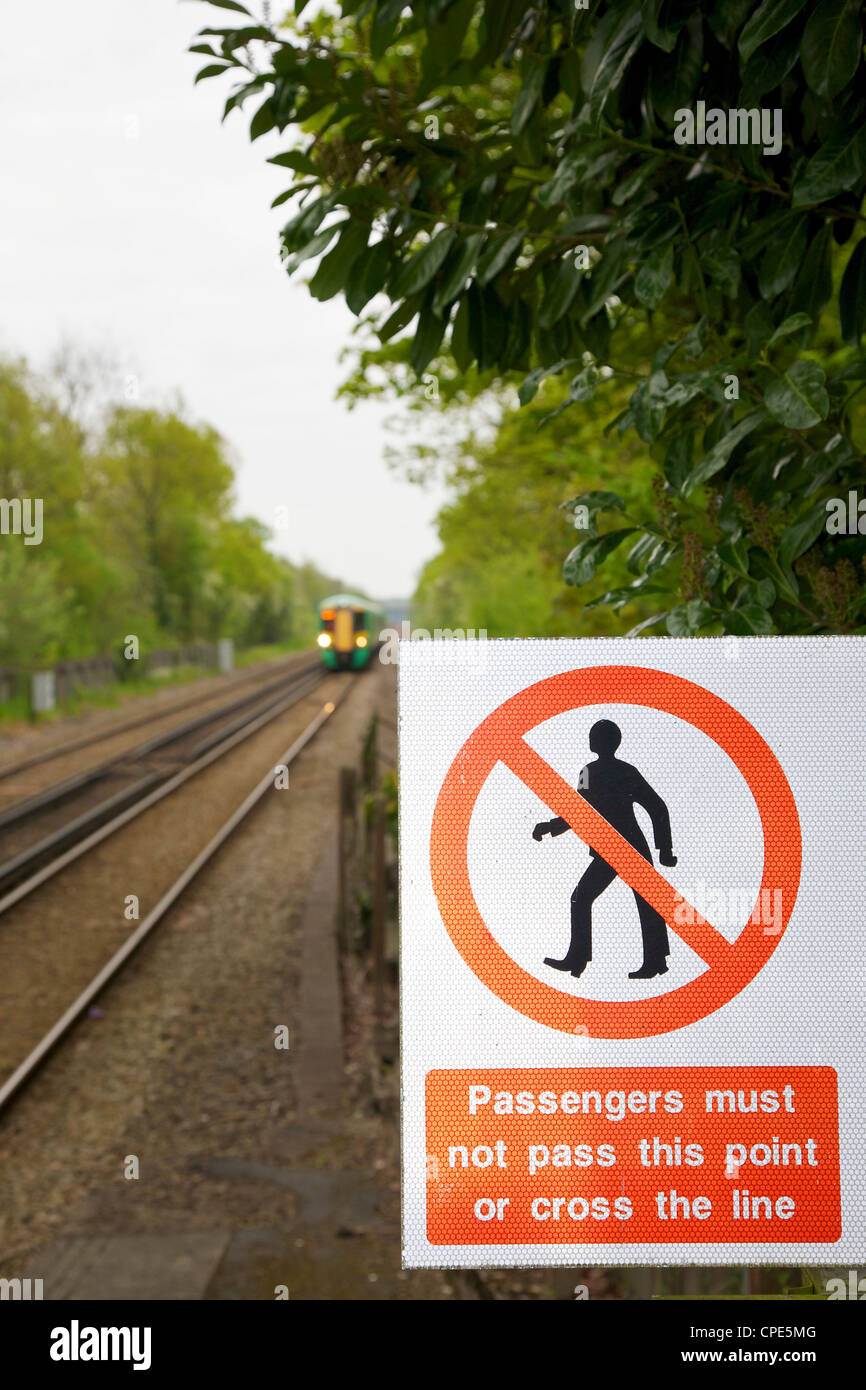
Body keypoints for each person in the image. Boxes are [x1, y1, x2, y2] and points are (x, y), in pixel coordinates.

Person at [532, 719, 676, 980]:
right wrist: (663, 848)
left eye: (593, 736)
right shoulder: (614, 771)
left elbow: (656, 806)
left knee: (628, 901)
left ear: (600, 742)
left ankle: (650, 962)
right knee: (587, 898)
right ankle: (580, 959)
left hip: (621, 846)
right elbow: (579, 809)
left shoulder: (594, 771)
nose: (590, 739)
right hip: (618, 846)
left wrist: (664, 848)